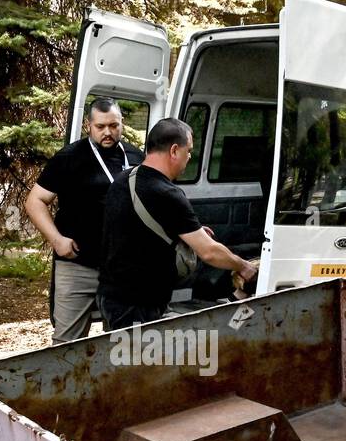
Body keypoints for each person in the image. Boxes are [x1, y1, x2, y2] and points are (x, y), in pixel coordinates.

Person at [97, 118, 257, 330]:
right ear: (174, 150)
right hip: (138, 306)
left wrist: (187, 233)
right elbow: (209, 252)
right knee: (142, 362)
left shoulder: (124, 179)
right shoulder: (167, 193)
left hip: (110, 298)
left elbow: (134, 231)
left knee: (121, 358)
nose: (189, 156)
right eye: (188, 150)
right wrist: (244, 267)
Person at [25, 98, 142, 342]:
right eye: (100, 126)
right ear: (89, 125)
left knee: (125, 342)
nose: (107, 132)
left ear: (122, 123)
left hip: (122, 268)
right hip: (78, 265)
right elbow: (34, 201)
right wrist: (57, 240)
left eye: (113, 125)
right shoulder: (70, 157)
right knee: (66, 344)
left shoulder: (136, 157)